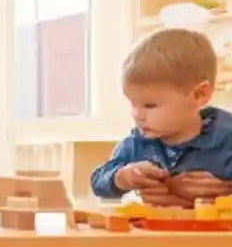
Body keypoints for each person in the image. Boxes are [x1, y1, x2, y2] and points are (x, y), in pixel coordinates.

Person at [90, 28, 232, 206]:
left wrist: (225, 190)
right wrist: (123, 177)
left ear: (199, 95)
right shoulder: (137, 143)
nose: (137, 115)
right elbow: (98, 182)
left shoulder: (226, 137)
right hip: (156, 232)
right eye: (133, 104)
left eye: (150, 105)